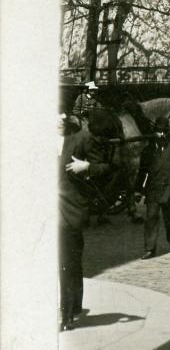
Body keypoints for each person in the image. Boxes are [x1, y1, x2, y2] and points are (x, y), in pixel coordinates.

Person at [60, 111, 108, 329]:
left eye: (63, 112)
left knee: (68, 262)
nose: (60, 117)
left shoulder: (81, 139)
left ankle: (67, 314)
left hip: (69, 211)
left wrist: (87, 166)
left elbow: (107, 168)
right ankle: (73, 306)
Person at [137, 118, 170, 259]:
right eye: (158, 132)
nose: (160, 135)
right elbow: (142, 171)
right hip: (152, 188)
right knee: (151, 218)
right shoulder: (148, 150)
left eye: (163, 132)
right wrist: (137, 190)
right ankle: (149, 248)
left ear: (168, 133)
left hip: (169, 189)